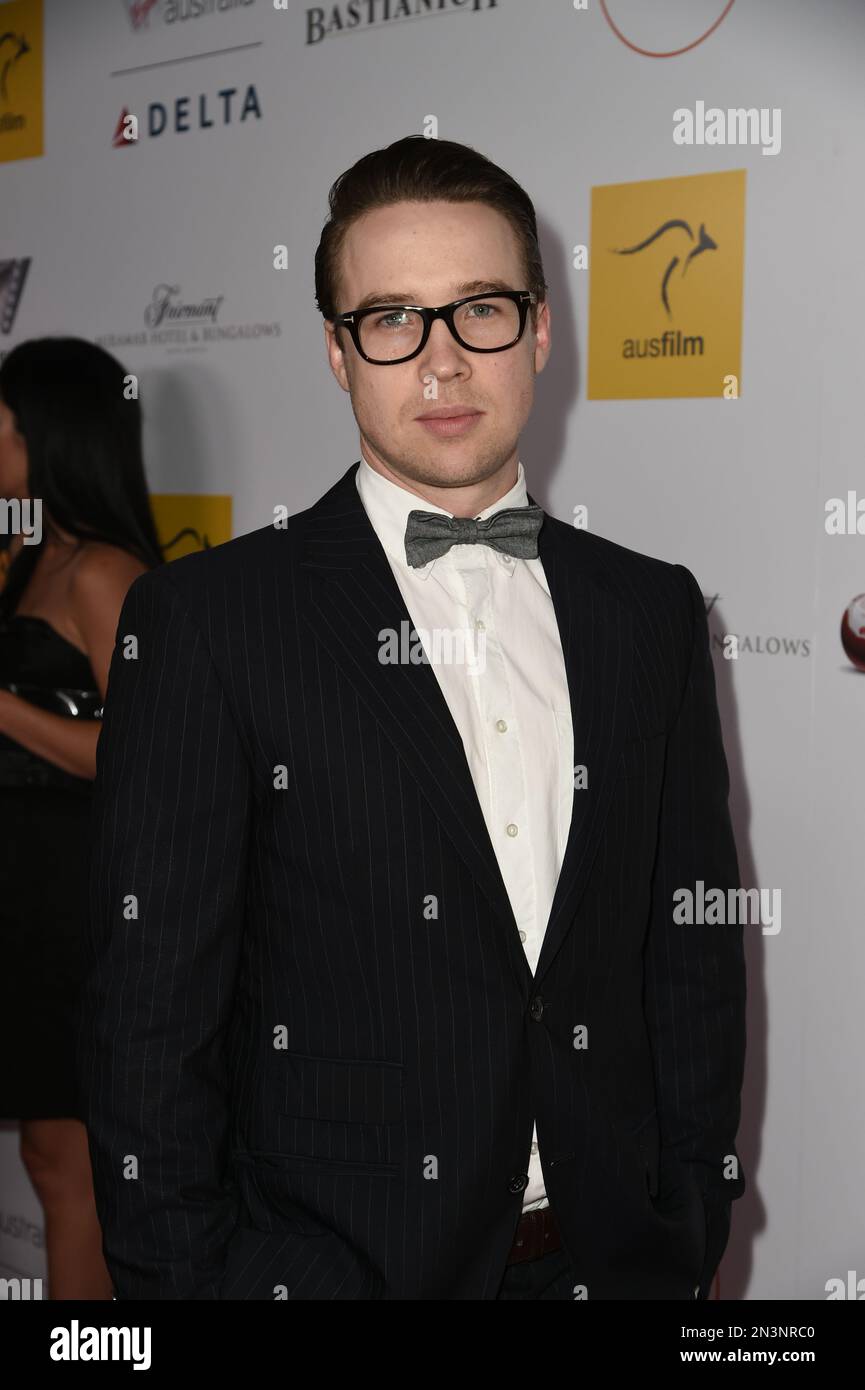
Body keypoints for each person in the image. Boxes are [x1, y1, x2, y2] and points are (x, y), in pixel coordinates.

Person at [79, 135, 746, 1300]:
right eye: (391, 320)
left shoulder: (650, 609)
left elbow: (686, 951)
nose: (440, 363)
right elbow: (149, 1022)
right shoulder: (206, 621)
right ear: (339, 355)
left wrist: (688, 1213)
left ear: (541, 330)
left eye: (478, 309)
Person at [0, 337, 162, 1298]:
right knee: (51, 1165)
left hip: (72, 901)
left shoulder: (106, 571)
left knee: (75, 1175)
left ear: (46, 437)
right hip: (18, 892)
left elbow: (138, 751)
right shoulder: (23, 553)